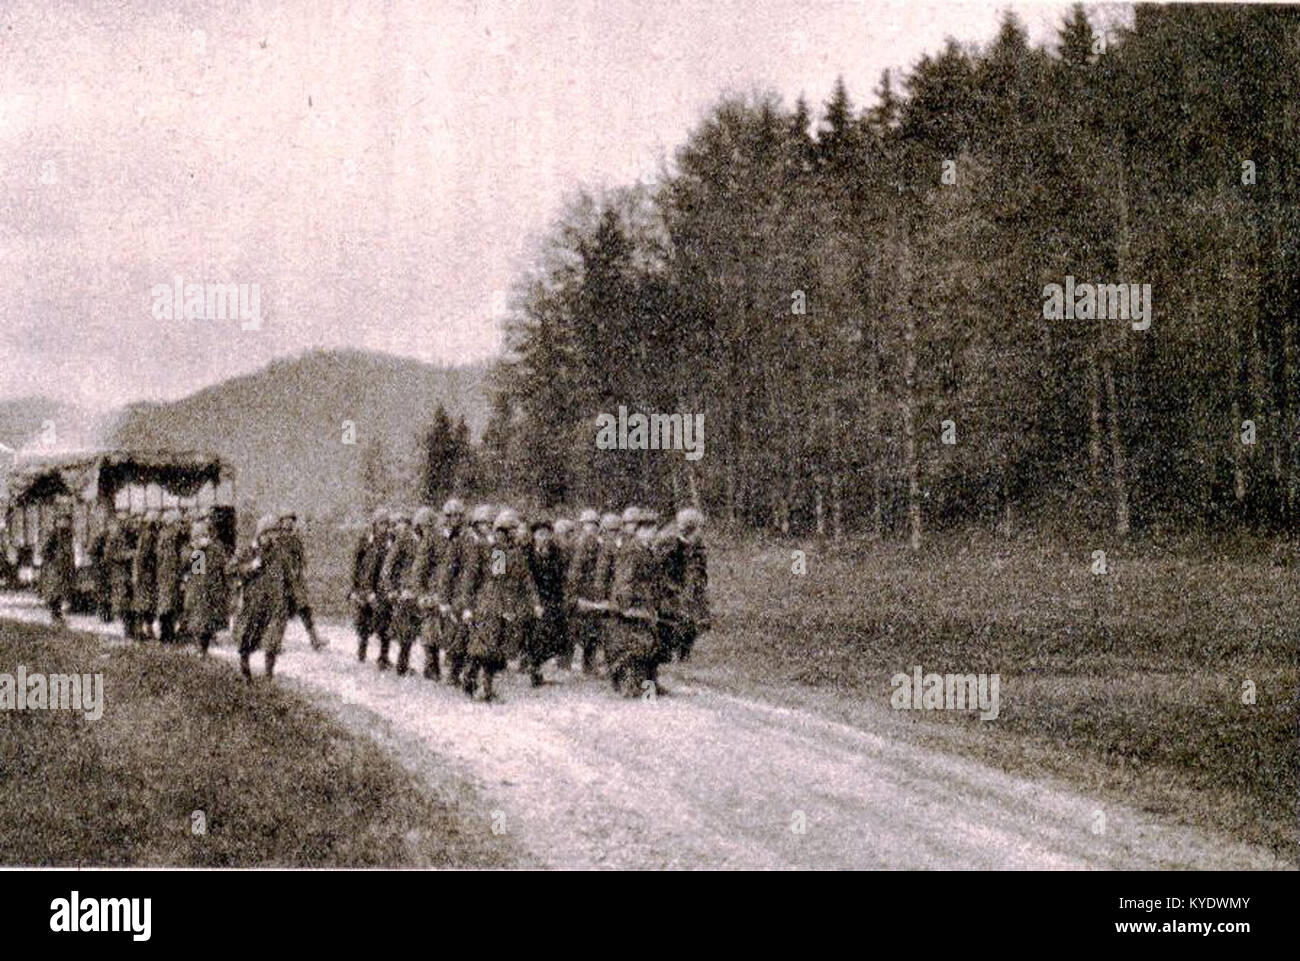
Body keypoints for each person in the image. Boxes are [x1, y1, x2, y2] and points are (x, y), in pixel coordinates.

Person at [458, 509, 542, 702]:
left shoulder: (516, 551)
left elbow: (527, 580)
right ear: (504, 530)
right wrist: (504, 608)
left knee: (491, 648)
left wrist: (535, 603)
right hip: (491, 604)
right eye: (513, 529)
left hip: (503, 603)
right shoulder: (498, 550)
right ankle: (478, 683)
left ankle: (476, 681)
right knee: (488, 647)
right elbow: (498, 581)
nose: (518, 532)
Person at [605, 508, 664, 697]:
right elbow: (625, 579)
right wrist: (626, 606)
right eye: (652, 529)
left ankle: (650, 685)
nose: (655, 533)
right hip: (632, 604)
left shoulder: (646, 549)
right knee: (632, 648)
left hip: (645, 602)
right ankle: (628, 685)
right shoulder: (632, 550)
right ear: (642, 530)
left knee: (650, 645)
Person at [231, 514, 292, 680]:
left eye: (275, 533)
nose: (274, 536)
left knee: (272, 641)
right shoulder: (248, 551)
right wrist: (250, 567)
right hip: (252, 602)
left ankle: (268, 676)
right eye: (270, 533)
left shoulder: (280, 553)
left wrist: (291, 600)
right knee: (247, 637)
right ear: (261, 533)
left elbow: (288, 577)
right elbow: (231, 570)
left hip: (274, 602)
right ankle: (203, 653)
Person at [439, 503, 489, 687]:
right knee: (461, 635)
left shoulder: (493, 543)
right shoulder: (461, 540)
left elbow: (498, 572)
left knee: (479, 636)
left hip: (484, 595)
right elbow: (448, 573)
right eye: (484, 523)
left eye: (490, 523)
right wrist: (445, 600)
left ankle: (473, 676)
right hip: (462, 594)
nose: (488, 526)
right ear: (476, 523)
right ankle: (454, 672)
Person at [659, 508, 712, 663]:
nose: (701, 532)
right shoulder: (671, 545)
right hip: (672, 591)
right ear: (690, 529)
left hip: (692, 590)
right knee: (674, 620)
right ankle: (669, 652)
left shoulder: (697, 547)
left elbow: (699, 570)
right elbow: (664, 571)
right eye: (698, 528)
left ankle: (684, 653)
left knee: (694, 621)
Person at [524, 515, 568, 685]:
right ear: (534, 535)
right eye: (540, 534)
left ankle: (544, 671)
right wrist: (534, 602)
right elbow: (526, 579)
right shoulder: (526, 552)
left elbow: (561, 577)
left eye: (546, 534)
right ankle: (534, 671)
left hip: (552, 599)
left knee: (552, 636)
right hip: (533, 599)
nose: (543, 538)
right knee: (535, 636)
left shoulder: (556, 552)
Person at [565, 508, 606, 674]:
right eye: (588, 525)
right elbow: (574, 570)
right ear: (583, 526)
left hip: (594, 589)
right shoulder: (578, 543)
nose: (591, 528)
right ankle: (579, 663)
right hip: (582, 589)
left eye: (593, 525)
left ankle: (589, 664)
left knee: (593, 629)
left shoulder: (599, 543)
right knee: (581, 629)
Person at [181, 518, 230, 656]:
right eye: (202, 535)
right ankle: (200, 648)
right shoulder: (196, 551)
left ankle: (205, 646)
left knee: (209, 620)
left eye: (206, 535)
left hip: (213, 588)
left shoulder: (216, 548)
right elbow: (198, 573)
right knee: (199, 621)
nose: (205, 538)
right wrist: (198, 550)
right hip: (200, 591)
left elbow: (223, 565)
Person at [374, 511, 414, 671]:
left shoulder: (410, 541)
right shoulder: (390, 541)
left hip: (401, 589)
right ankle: (386, 658)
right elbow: (383, 568)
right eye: (398, 524)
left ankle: (400, 662)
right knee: (388, 624)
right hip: (390, 589)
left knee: (405, 626)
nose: (401, 527)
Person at [279, 513, 324, 650]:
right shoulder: (277, 539)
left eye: (292, 520)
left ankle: (314, 639)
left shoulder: (295, 539)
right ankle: (276, 642)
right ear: (282, 522)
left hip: (295, 582)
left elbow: (301, 558)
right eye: (287, 520)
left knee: (305, 609)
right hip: (281, 582)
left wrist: (300, 570)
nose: (290, 523)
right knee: (280, 613)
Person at [350, 508, 390, 663]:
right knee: (363, 621)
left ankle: (383, 656)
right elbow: (356, 565)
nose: (384, 528)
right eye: (381, 524)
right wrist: (355, 588)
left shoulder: (390, 542)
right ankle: (362, 652)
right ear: (374, 524)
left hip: (381, 586)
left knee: (385, 621)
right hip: (365, 586)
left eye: (386, 524)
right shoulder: (365, 540)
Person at [155, 509, 188, 644]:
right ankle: (168, 634)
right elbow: (179, 558)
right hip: (172, 573)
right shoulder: (172, 536)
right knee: (169, 604)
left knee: (167, 603)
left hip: (166, 573)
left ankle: (167, 633)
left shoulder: (164, 535)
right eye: (179, 522)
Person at [39, 512, 76, 625]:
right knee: (55, 593)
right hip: (54, 569)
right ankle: (55, 616)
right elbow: (45, 551)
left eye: (67, 521)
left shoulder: (68, 535)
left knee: (62, 592)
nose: (65, 523)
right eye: (62, 520)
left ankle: (58, 616)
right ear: (57, 522)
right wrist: (54, 559)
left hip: (64, 567)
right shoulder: (54, 534)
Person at [105, 515, 138, 638]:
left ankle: (131, 629)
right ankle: (128, 630)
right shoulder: (114, 538)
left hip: (127, 574)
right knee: (123, 603)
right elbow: (109, 555)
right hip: (120, 575)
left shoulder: (128, 537)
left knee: (129, 602)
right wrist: (127, 555)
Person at [132, 512, 160, 639]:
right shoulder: (149, 537)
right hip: (147, 575)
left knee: (146, 603)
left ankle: (143, 629)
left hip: (147, 574)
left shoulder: (146, 536)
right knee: (146, 603)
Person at [89, 523, 113, 622]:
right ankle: (104, 615)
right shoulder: (100, 539)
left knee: (106, 592)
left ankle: (106, 615)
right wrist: (100, 562)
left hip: (106, 570)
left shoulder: (107, 539)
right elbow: (92, 553)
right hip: (100, 570)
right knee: (103, 593)